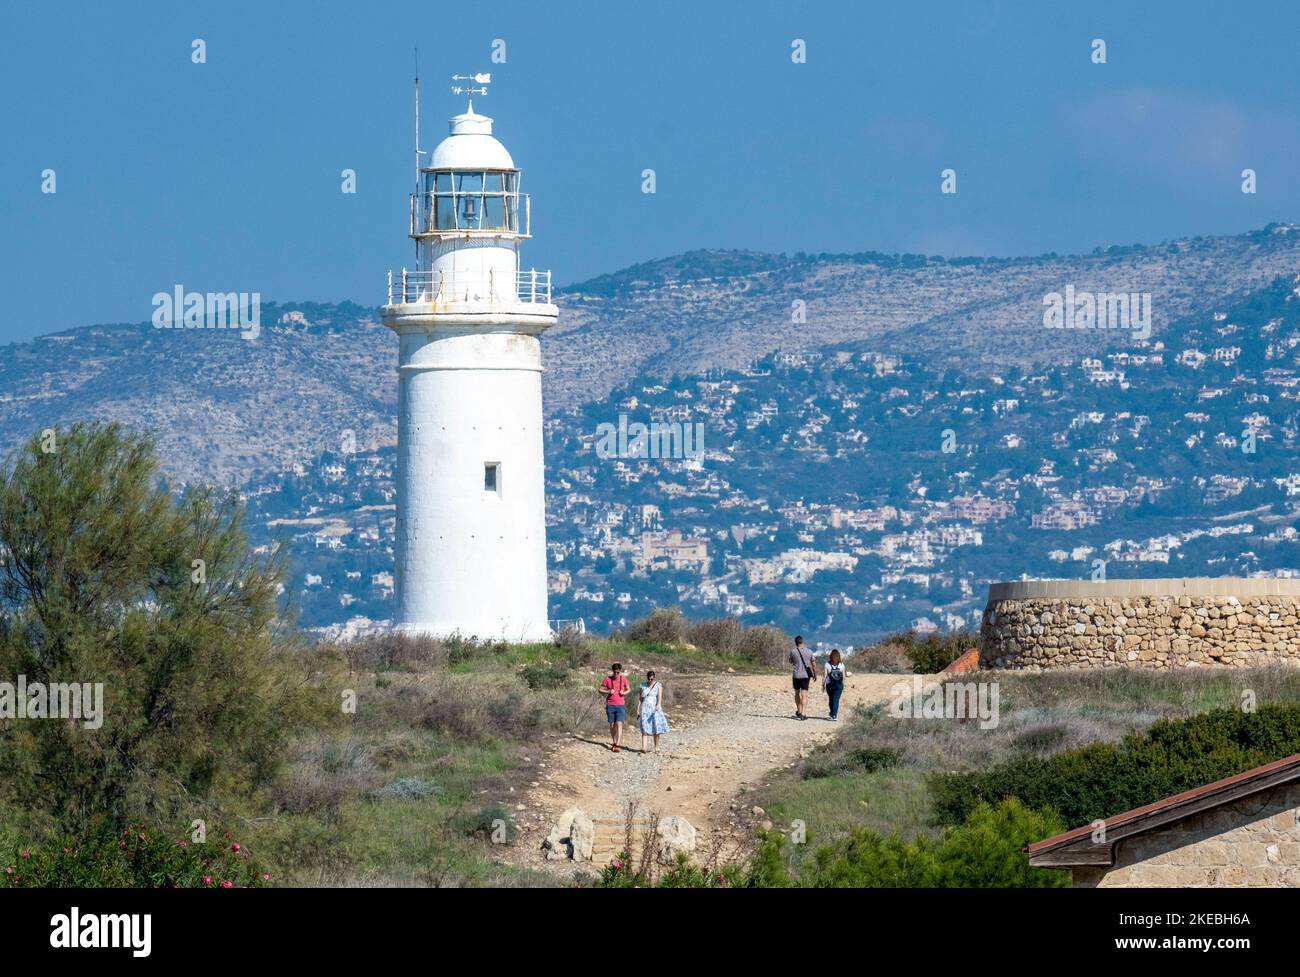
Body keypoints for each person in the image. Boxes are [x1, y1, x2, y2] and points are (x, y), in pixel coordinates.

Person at [636, 669, 670, 754]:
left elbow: (659, 697)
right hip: (645, 709)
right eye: (649, 679)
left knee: (656, 728)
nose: (650, 680)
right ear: (647, 678)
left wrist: (658, 705)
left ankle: (656, 747)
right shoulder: (642, 686)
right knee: (644, 728)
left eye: (652, 679)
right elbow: (640, 699)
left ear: (654, 678)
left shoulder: (658, 685)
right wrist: (638, 709)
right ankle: (644, 747)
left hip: (654, 709)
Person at [600, 662, 631, 752]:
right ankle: (613, 742)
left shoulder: (623, 679)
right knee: (612, 724)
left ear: (620, 671)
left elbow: (629, 689)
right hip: (610, 705)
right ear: (612, 671)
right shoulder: (607, 679)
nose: (616, 674)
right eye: (615, 672)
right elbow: (600, 689)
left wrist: (624, 692)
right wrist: (609, 691)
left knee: (619, 723)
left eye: (618, 672)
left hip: (620, 705)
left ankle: (617, 744)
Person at [789, 635, 816, 720]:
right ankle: (803, 713)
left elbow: (790, 661)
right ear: (802, 642)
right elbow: (813, 664)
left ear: (795, 643)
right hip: (805, 676)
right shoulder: (810, 652)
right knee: (804, 694)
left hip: (796, 675)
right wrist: (815, 674)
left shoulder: (793, 651)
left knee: (797, 693)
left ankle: (799, 711)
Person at [823, 648, 846, 721]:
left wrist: (823, 685)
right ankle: (834, 715)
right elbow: (844, 677)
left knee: (831, 699)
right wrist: (843, 685)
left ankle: (832, 714)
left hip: (829, 685)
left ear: (831, 656)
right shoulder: (842, 665)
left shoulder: (827, 664)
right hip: (839, 685)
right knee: (836, 700)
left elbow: (825, 676)